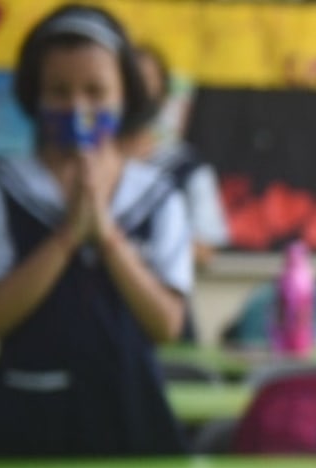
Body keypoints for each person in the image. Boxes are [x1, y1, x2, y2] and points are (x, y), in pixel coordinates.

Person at [0, 4, 190, 457]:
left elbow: (166, 324)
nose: (78, 107)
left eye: (96, 91)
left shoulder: (158, 194)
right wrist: (67, 236)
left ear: (125, 96)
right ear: (35, 96)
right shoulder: (3, 188)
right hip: (25, 419)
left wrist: (105, 233)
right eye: (59, 92)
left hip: (132, 416)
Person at [122, 44, 228, 343]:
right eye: (129, 82)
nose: (138, 95)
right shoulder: (85, 166)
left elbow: (207, 248)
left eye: (147, 84)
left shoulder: (185, 167)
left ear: (165, 94)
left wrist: (137, 251)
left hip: (165, 319)